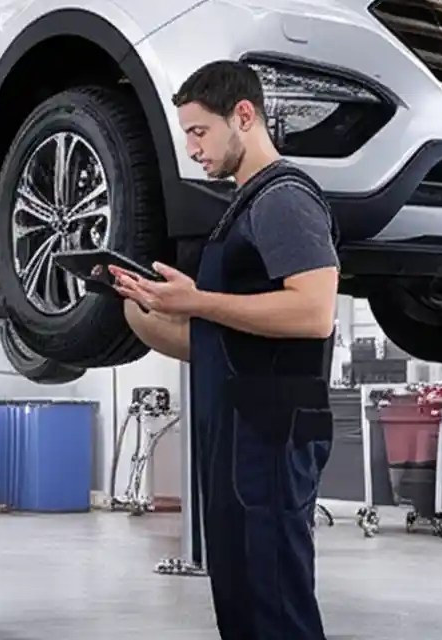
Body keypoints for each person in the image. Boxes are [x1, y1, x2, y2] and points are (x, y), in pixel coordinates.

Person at [110, 60, 340, 640]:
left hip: (271, 437)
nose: (192, 149)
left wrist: (199, 300)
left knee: (275, 605)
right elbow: (216, 342)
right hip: (238, 438)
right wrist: (142, 305)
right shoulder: (241, 208)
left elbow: (314, 313)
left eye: (199, 132)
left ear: (243, 116)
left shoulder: (284, 199)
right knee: (241, 602)